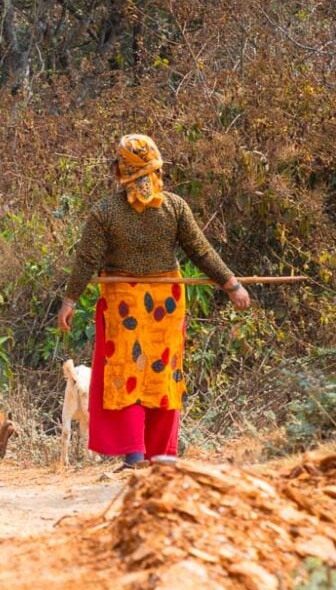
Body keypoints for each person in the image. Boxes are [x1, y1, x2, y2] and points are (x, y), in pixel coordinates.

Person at [58, 135, 250, 470]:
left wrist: (70, 300)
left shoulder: (105, 210)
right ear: (156, 170)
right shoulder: (174, 206)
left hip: (125, 305)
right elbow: (201, 250)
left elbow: (87, 259)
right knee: (161, 374)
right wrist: (231, 284)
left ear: (120, 171)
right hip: (165, 304)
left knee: (129, 373)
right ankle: (159, 456)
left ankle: (135, 455)